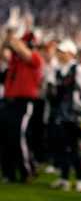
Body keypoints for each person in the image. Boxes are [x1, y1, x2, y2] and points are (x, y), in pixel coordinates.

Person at [46, 39, 81, 193]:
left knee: (72, 147)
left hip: (73, 115)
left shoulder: (78, 70)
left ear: (71, 53)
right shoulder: (57, 70)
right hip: (59, 114)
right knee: (62, 146)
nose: (59, 54)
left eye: (62, 52)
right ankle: (65, 178)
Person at [2, 29, 43, 183]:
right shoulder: (15, 59)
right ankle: (9, 172)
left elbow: (22, 50)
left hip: (24, 102)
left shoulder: (35, 58)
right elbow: (3, 51)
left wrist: (12, 36)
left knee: (19, 136)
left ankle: (27, 170)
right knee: (6, 137)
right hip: (9, 101)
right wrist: (8, 36)